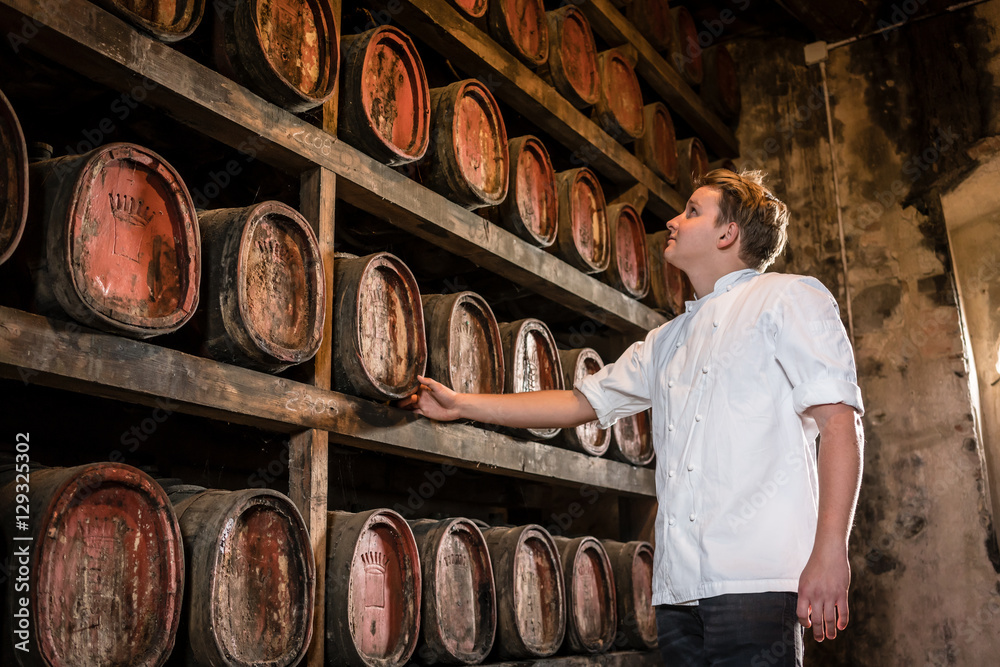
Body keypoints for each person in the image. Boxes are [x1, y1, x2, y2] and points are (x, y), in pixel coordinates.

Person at [400, 169, 865, 666]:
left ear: (727, 234)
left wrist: (831, 551)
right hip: (677, 589)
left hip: (754, 582)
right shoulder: (667, 341)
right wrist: (464, 404)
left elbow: (840, 424)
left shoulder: (789, 297)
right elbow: (579, 403)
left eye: (691, 212)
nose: (672, 221)